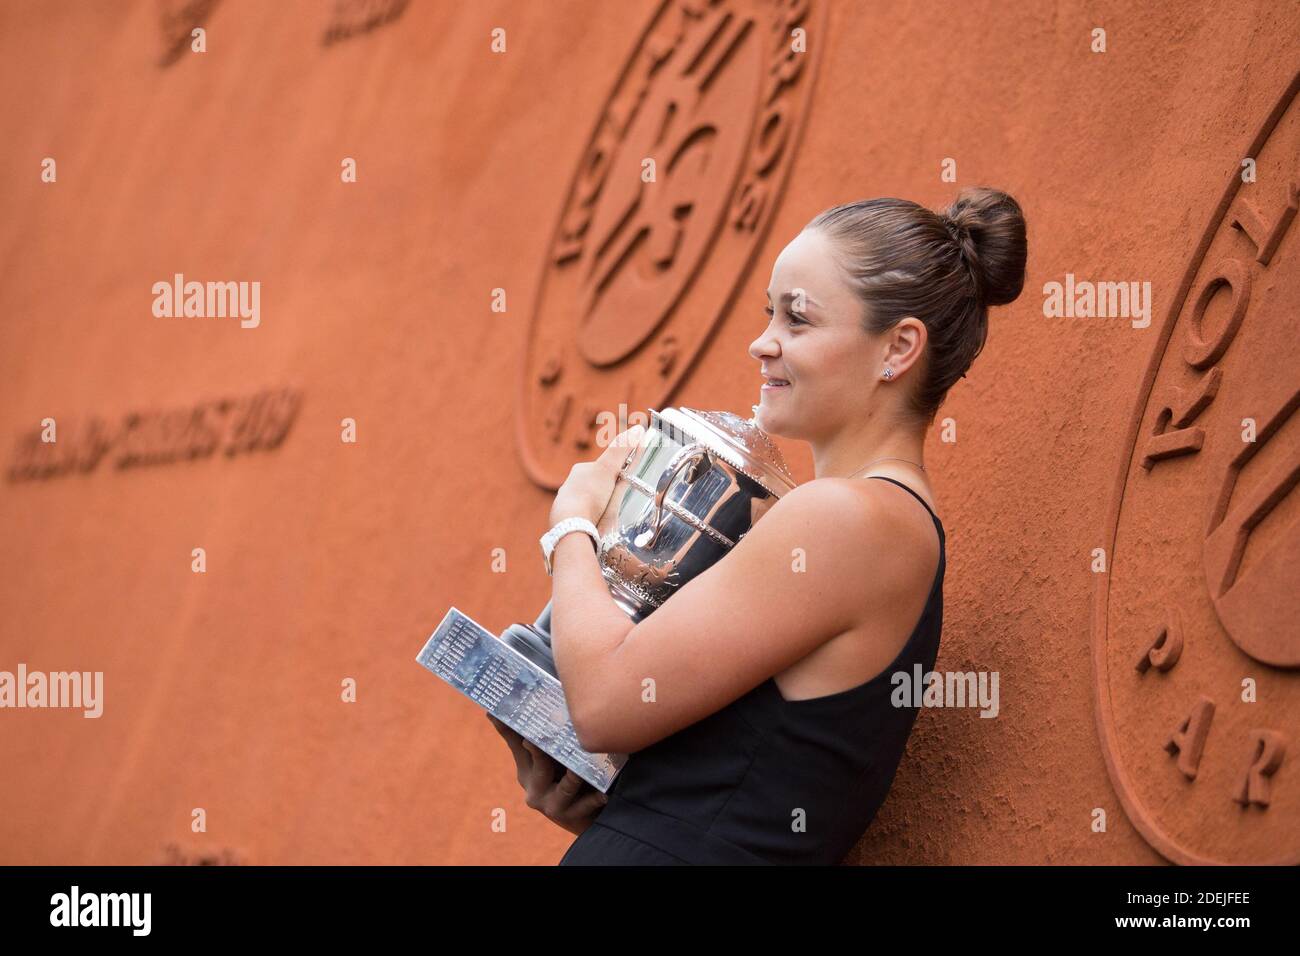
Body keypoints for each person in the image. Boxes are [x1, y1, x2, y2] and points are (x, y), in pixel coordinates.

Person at [490, 186, 1028, 864]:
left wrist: (572, 523)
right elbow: (743, 796)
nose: (761, 342)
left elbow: (602, 703)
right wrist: (613, 807)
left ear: (897, 348)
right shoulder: (873, 522)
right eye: (768, 313)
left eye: (797, 320)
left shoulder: (847, 519)